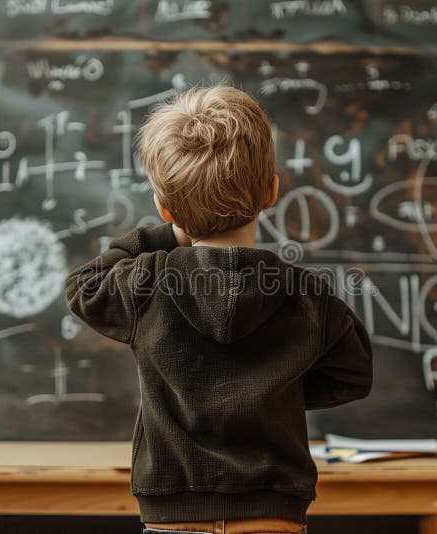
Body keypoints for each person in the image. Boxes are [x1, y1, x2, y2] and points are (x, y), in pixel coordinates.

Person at [65, 85, 373, 534]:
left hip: (173, 516)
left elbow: (83, 286)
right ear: (271, 192)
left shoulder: (147, 282)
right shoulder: (307, 295)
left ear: (165, 208)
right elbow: (354, 375)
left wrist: (166, 235)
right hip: (274, 516)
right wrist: (273, 392)